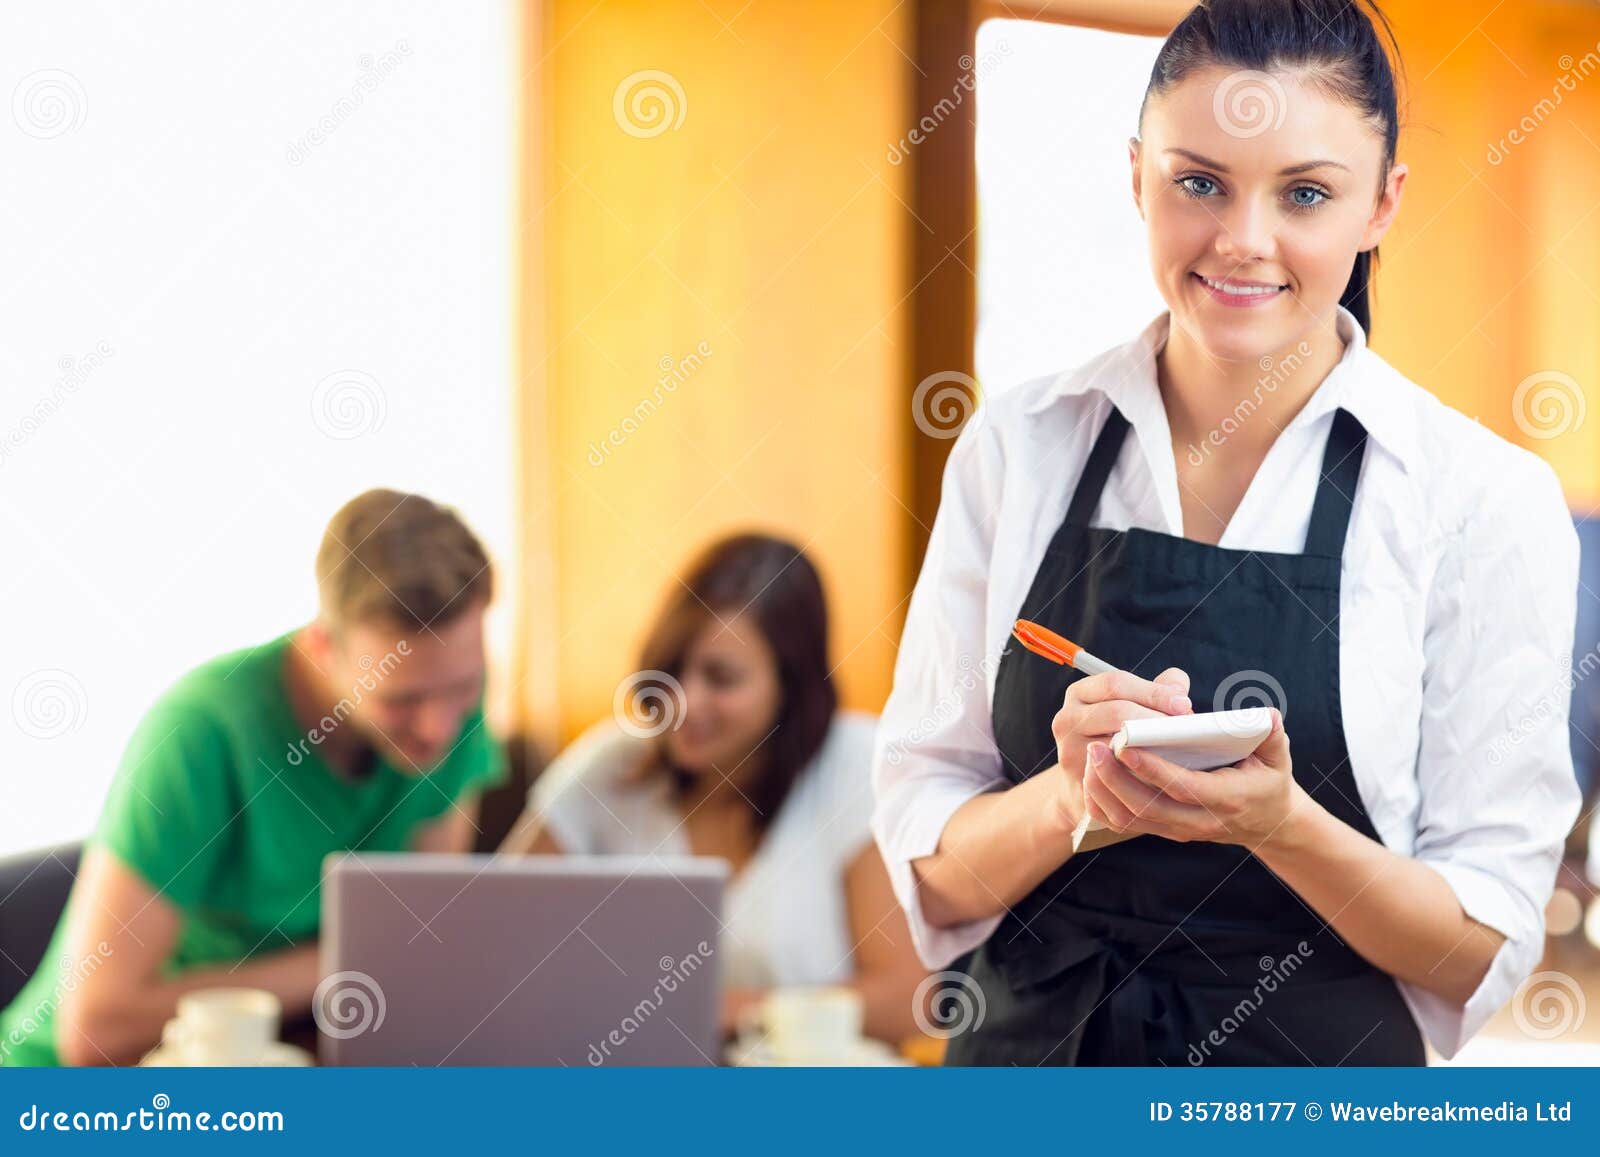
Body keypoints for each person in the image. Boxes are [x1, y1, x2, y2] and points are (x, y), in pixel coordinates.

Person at [872, 0, 1580, 1066]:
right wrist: (1074, 795)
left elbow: (1478, 947)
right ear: (1135, 176)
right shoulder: (1020, 445)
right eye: (1197, 181)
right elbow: (931, 874)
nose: (1242, 240)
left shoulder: (1480, 499)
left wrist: (1277, 822)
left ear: (1382, 205)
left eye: (1304, 193)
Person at [0, 489, 505, 1066]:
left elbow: (419, 933)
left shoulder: (446, 696)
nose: (438, 728)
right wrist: (348, 962)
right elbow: (94, 1031)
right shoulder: (200, 734)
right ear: (321, 647)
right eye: (400, 699)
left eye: (463, 687)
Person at [503, 533, 927, 1046]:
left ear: (789, 687)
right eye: (672, 668)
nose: (683, 702)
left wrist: (723, 1012)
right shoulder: (610, 766)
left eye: (721, 678)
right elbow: (497, 940)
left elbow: (908, 997)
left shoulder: (856, 764)